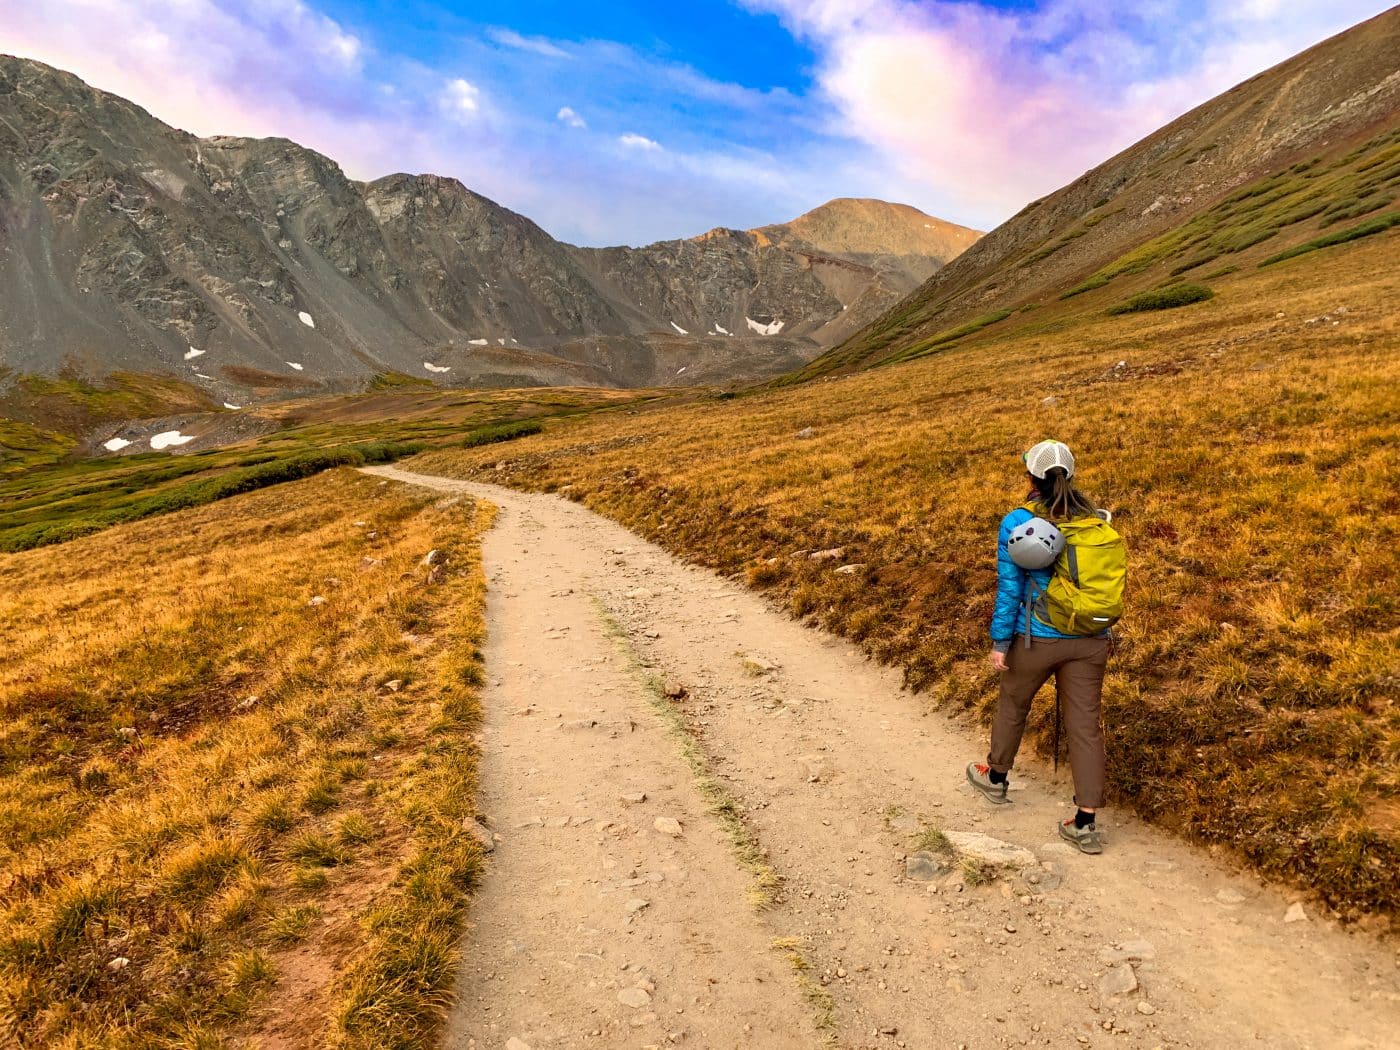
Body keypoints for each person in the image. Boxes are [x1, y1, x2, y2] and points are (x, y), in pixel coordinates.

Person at [965, 439, 1112, 854]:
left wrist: (1000, 641)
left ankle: (995, 779)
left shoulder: (1018, 519)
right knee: (1085, 726)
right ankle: (1085, 822)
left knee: (1013, 704)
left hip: (1037, 636)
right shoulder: (1096, 524)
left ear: (1030, 476)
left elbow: (1009, 589)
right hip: (1090, 639)